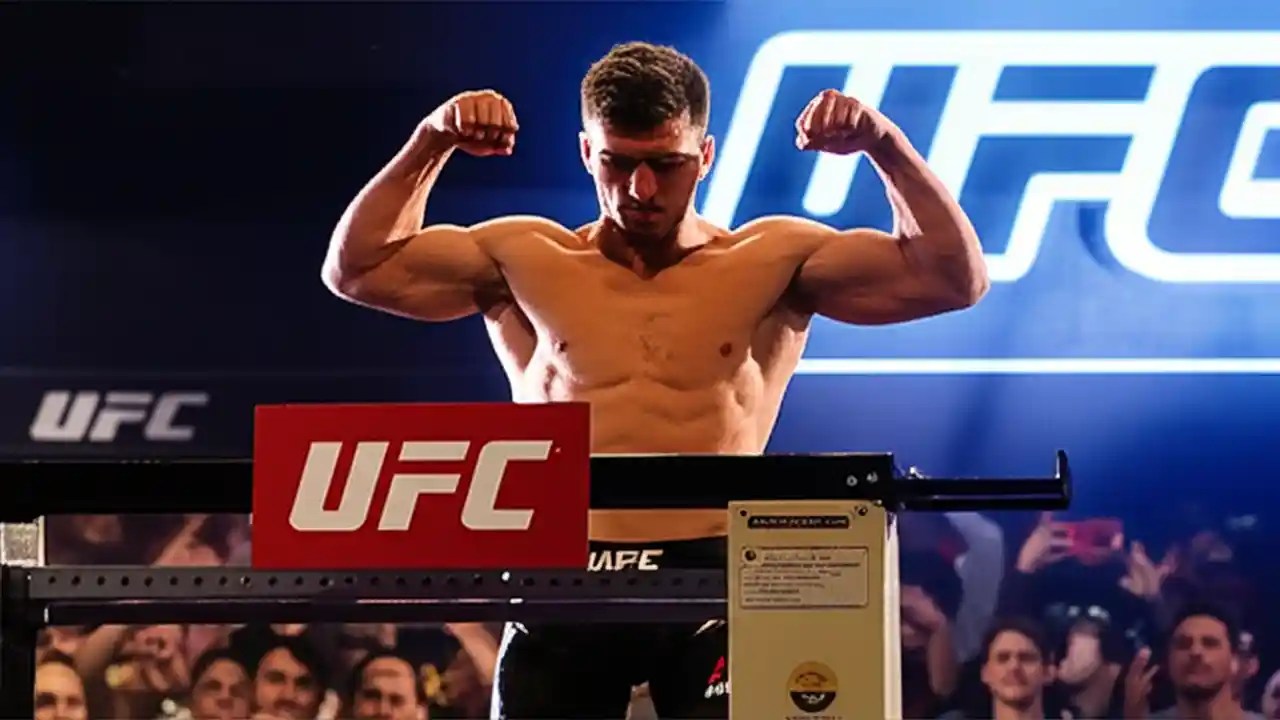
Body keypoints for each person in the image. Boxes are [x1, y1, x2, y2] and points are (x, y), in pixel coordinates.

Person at [323, 40, 988, 718]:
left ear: (704, 156)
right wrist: (429, 142)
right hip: (565, 576)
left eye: (665, 165)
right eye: (619, 162)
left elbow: (953, 280)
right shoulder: (523, 257)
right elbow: (358, 271)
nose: (640, 189)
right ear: (588, 153)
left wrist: (886, 145)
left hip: (719, 577)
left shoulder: (771, 259)